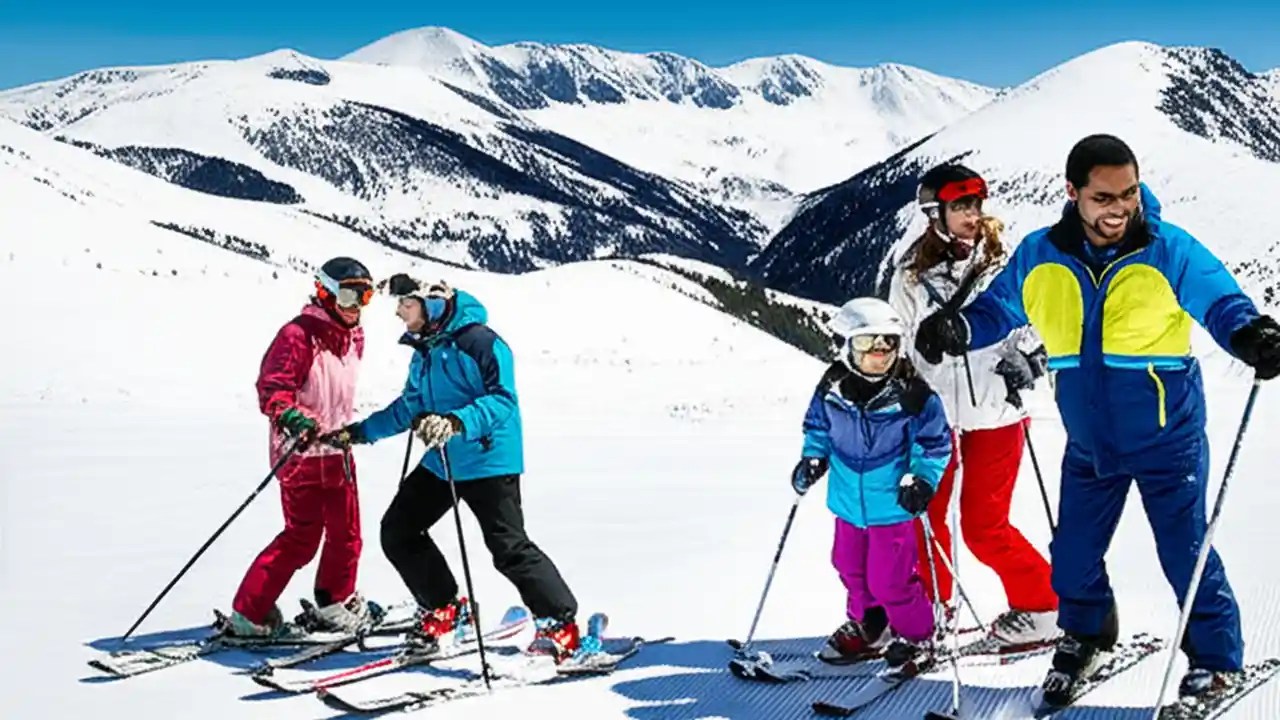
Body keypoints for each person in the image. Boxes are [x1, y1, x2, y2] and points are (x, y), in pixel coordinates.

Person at [912, 133, 1280, 701]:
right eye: (1104, 197)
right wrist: (958, 328)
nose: (1120, 208)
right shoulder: (1041, 254)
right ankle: (1087, 633)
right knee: (1073, 554)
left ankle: (1215, 658)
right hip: (1090, 442)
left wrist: (1249, 334)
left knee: (1185, 551)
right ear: (1073, 193)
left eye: (1128, 193)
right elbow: (998, 308)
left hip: (1167, 437)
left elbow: (1220, 301)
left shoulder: (1168, 248)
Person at [323, 274, 583, 662]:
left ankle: (560, 625)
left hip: (488, 458)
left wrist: (457, 422)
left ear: (430, 305)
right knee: (398, 530)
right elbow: (410, 406)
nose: (397, 313)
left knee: (507, 547)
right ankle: (445, 607)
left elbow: (502, 401)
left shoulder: (481, 342)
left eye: (405, 305)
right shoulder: (424, 350)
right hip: (443, 461)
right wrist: (360, 433)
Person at [887, 162, 1059, 648]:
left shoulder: (1004, 265)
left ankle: (1042, 605)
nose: (971, 214)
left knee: (985, 527)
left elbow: (1040, 322)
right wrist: (907, 379)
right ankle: (934, 611)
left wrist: (1033, 359)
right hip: (935, 414)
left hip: (995, 413)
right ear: (933, 212)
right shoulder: (911, 273)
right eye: (960, 205)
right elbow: (898, 337)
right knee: (923, 518)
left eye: (975, 204)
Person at [791, 297, 954, 668]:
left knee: (890, 581)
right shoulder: (832, 387)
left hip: (891, 508)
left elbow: (934, 444)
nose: (879, 353)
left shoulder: (913, 394)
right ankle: (870, 625)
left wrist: (923, 479)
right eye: (867, 345)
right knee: (848, 566)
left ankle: (918, 637)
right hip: (847, 503)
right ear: (846, 347)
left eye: (888, 344)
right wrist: (813, 458)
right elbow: (817, 427)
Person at [228, 257, 377, 638]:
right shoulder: (298, 335)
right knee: (301, 538)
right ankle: (249, 614)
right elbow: (273, 389)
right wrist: (293, 418)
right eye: (347, 294)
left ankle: (334, 603)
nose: (355, 305)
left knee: (348, 536)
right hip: (300, 454)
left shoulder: (354, 338)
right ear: (324, 292)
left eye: (365, 295)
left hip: (337, 451)